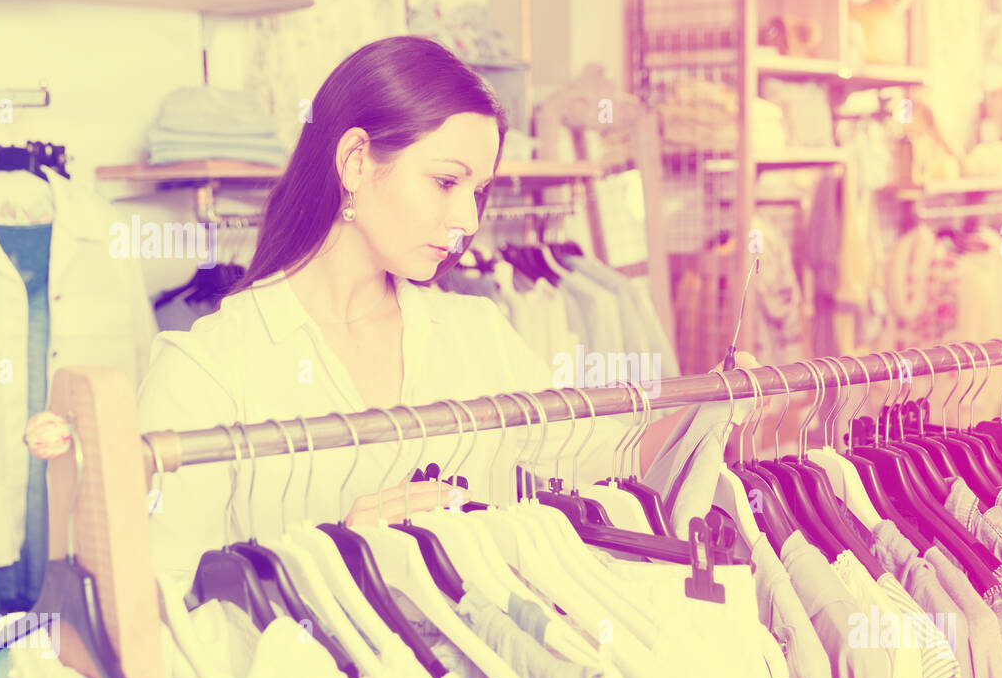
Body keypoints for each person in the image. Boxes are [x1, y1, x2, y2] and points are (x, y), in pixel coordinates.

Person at [137, 36, 751, 591]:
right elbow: (171, 615)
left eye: (478, 191)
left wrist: (713, 405)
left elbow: (604, 455)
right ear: (355, 162)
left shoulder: (474, 334)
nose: (469, 221)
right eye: (445, 182)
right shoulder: (205, 373)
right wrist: (341, 559)